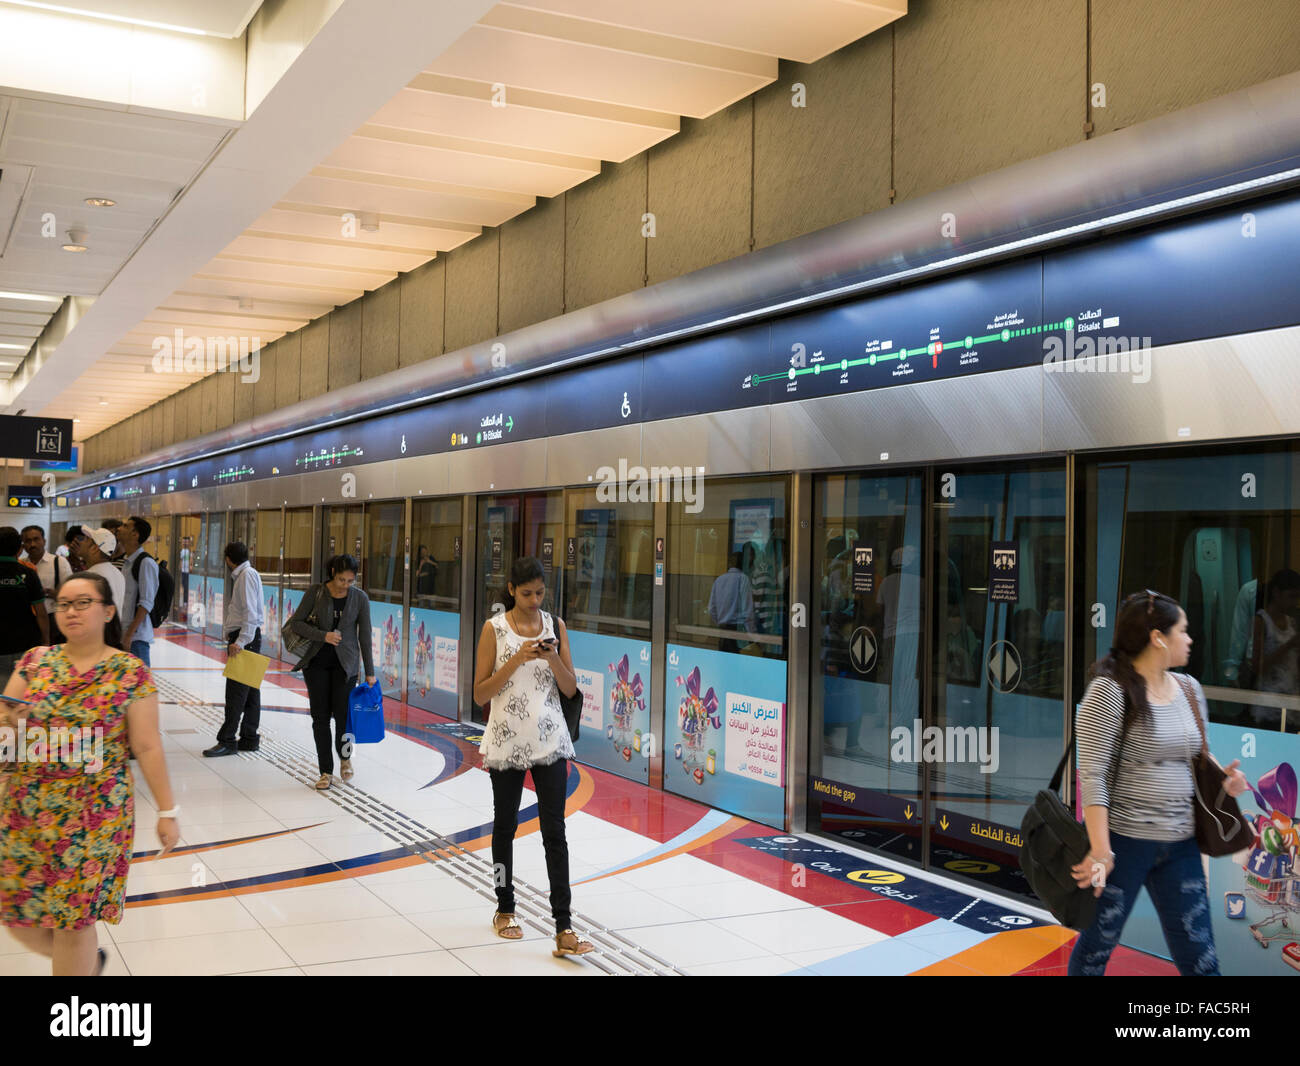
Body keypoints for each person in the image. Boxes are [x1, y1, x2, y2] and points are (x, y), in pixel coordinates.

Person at [0, 572, 179, 975]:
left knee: (73, 924)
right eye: (63, 604)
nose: (71, 612)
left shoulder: (129, 671)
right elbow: (4, 721)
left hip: (93, 817)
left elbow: (147, 745)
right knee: (16, 916)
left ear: (108, 611)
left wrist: (167, 811)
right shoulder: (34, 661)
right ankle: (86, 963)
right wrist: (10, 727)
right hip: (26, 811)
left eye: (83, 603)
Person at [1068, 589, 1250, 976]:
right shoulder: (1110, 690)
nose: (1190, 638)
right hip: (1122, 846)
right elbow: (1093, 774)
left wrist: (1225, 782)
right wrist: (1101, 851)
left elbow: (1196, 757)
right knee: (1096, 950)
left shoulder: (1189, 689)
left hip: (1181, 846)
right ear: (1157, 637)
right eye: (1183, 630)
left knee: (1202, 960)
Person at [473, 556, 592, 958]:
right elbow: (480, 693)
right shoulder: (494, 630)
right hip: (506, 741)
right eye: (526, 594)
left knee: (554, 831)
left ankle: (564, 926)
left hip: (550, 740)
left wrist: (552, 657)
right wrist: (517, 659)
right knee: (504, 825)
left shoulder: (555, 626)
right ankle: (504, 907)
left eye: (540, 593)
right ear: (511, 590)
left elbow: (571, 689)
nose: (534, 601)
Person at [286, 555, 375, 789]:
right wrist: (323, 635)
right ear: (332, 572)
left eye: (349, 581)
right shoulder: (316, 592)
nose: (345, 585)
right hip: (316, 664)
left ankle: (345, 758)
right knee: (320, 718)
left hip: (346, 666)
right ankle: (325, 771)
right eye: (341, 579)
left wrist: (370, 672)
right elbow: (297, 623)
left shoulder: (360, 598)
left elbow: (365, 637)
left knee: (344, 718)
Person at [204, 542, 265, 757]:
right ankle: (249, 738)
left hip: (245, 639)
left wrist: (240, 642)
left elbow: (251, 613)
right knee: (250, 693)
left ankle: (227, 740)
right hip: (248, 637)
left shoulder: (246, 576)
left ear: (228, 558)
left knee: (236, 694)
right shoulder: (248, 574)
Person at [1247, 569, 1300, 729]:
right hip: (1269, 707)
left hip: (1291, 703)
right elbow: (1257, 667)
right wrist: (1289, 645)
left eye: (1297, 597)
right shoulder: (1261, 621)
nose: (1294, 603)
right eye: (1291, 596)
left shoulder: (1291, 623)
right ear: (1276, 593)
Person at [0, 527, 49, 677]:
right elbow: (41, 612)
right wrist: (46, 641)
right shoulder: (28, 574)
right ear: (20, 549)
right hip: (24, 644)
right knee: (19, 691)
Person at [117, 516, 159, 667]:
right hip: (124, 636)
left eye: (125, 526)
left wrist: (129, 635)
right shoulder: (127, 562)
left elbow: (146, 603)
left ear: (135, 534)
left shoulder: (145, 563)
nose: (119, 529)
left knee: (141, 687)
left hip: (136, 639)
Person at [20, 526, 67, 642]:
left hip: (53, 619)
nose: (32, 544)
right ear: (23, 545)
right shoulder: (21, 565)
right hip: (28, 621)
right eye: (28, 541)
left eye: (36, 539)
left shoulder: (59, 562)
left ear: (44, 541)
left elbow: (72, 593)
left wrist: (55, 594)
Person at [707, 551, 757, 653]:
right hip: (737, 633)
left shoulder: (719, 580)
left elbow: (711, 609)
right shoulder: (743, 579)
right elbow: (747, 612)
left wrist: (720, 623)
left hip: (723, 632)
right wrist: (754, 636)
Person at [71, 528, 124, 619]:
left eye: (86, 540)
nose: (81, 542)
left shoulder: (90, 577)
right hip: (113, 631)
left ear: (94, 548)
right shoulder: (118, 573)